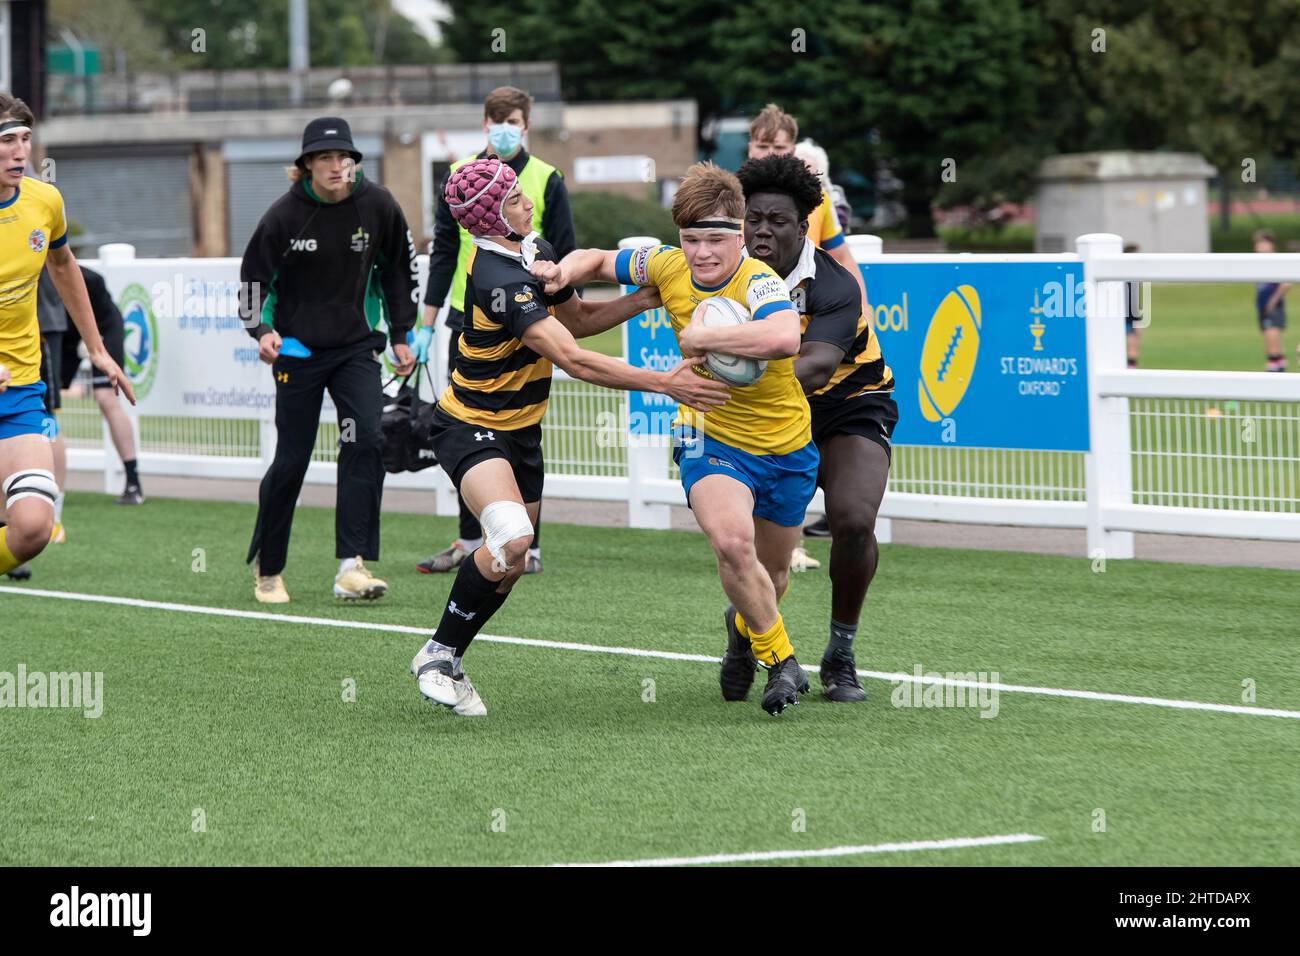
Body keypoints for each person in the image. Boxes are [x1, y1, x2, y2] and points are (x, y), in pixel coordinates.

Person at [408, 157, 728, 716]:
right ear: (490, 217)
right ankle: (437, 654)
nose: (529, 202)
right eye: (514, 198)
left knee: (514, 556)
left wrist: (641, 299)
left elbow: (574, 321)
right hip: (469, 424)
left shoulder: (533, 251)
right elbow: (574, 358)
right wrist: (665, 383)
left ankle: (449, 657)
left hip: (521, 432)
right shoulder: (498, 278)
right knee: (510, 537)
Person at [533, 162, 818, 716]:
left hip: (785, 442)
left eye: (716, 239)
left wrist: (704, 336)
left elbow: (785, 336)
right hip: (708, 433)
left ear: (740, 233)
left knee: (773, 573)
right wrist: (562, 271)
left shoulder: (758, 278)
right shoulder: (666, 264)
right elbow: (596, 258)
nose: (702, 253)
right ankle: (782, 660)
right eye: (691, 239)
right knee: (732, 544)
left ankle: (743, 633)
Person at [737, 154, 898, 702]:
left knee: (853, 520)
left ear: (804, 227)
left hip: (849, 405)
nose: (762, 230)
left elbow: (817, 366)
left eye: (777, 221)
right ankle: (745, 634)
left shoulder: (834, 283)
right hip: (770, 411)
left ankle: (841, 654)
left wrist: (729, 373)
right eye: (753, 218)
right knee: (759, 553)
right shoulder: (726, 275)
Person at [241, 117, 419, 604]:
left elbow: (400, 271)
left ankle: (351, 567)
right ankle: (269, 568)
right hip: (297, 352)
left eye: (344, 157)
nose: (337, 166)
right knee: (292, 459)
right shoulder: (282, 217)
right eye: (325, 158)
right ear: (306, 165)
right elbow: (253, 283)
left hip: (357, 347)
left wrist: (401, 334)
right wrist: (262, 330)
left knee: (366, 439)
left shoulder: (379, 205)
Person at [415, 86, 577, 576]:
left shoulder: (546, 177)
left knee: (522, 420)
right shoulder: (460, 177)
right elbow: (444, 251)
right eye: (496, 121)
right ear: (485, 124)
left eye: (513, 122)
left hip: (529, 312)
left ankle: (529, 543)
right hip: (469, 316)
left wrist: (564, 297)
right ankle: (471, 539)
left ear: (526, 126)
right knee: (470, 424)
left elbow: (566, 249)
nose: (504, 130)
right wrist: (426, 324)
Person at [0, 92, 134, 581]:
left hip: (18, 390)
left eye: (25, 139)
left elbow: (62, 264)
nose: (21, 151)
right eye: (7, 141)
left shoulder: (44, 200)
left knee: (34, 527)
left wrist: (97, 349)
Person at [59, 263, 144, 503]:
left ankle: (133, 482)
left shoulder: (84, 277)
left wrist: (93, 345)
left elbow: (97, 298)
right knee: (43, 399)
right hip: (62, 332)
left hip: (102, 327)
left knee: (106, 398)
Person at [1252, 230, 1291, 372]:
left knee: (1273, 340)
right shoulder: (1257, 262)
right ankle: (1276, 369)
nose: (1260, 246)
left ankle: (1276, 372)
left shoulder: (1275, 260)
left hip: (1273, 307)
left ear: (1271, 245)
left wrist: (1273, 301)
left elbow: (1286, 283)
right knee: (1268, 343)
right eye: (1258, 243)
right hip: (1263, 306)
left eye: (1263, 243)